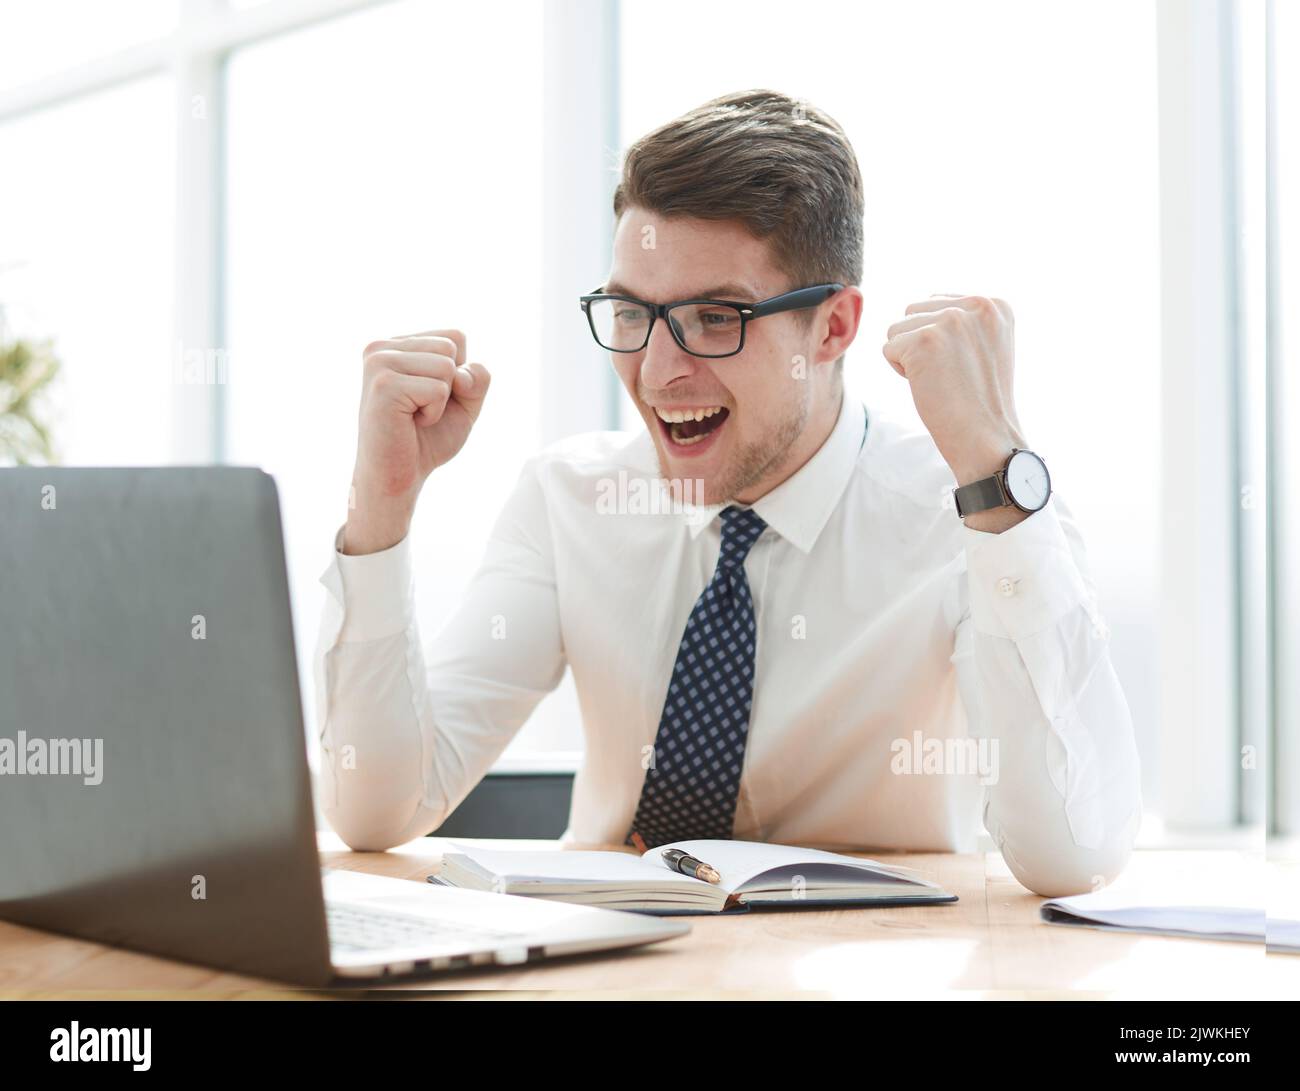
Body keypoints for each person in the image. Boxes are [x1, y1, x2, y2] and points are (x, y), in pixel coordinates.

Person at [314, 89, 1141, 897]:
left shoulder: (975, 510)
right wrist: (382, 504)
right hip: (604, 969)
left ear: (834, 326)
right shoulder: (570, 499)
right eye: (632, 313)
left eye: (716, 317)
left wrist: (997, 472)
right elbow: (378, 807)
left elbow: (1074, 855)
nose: (659, 371)